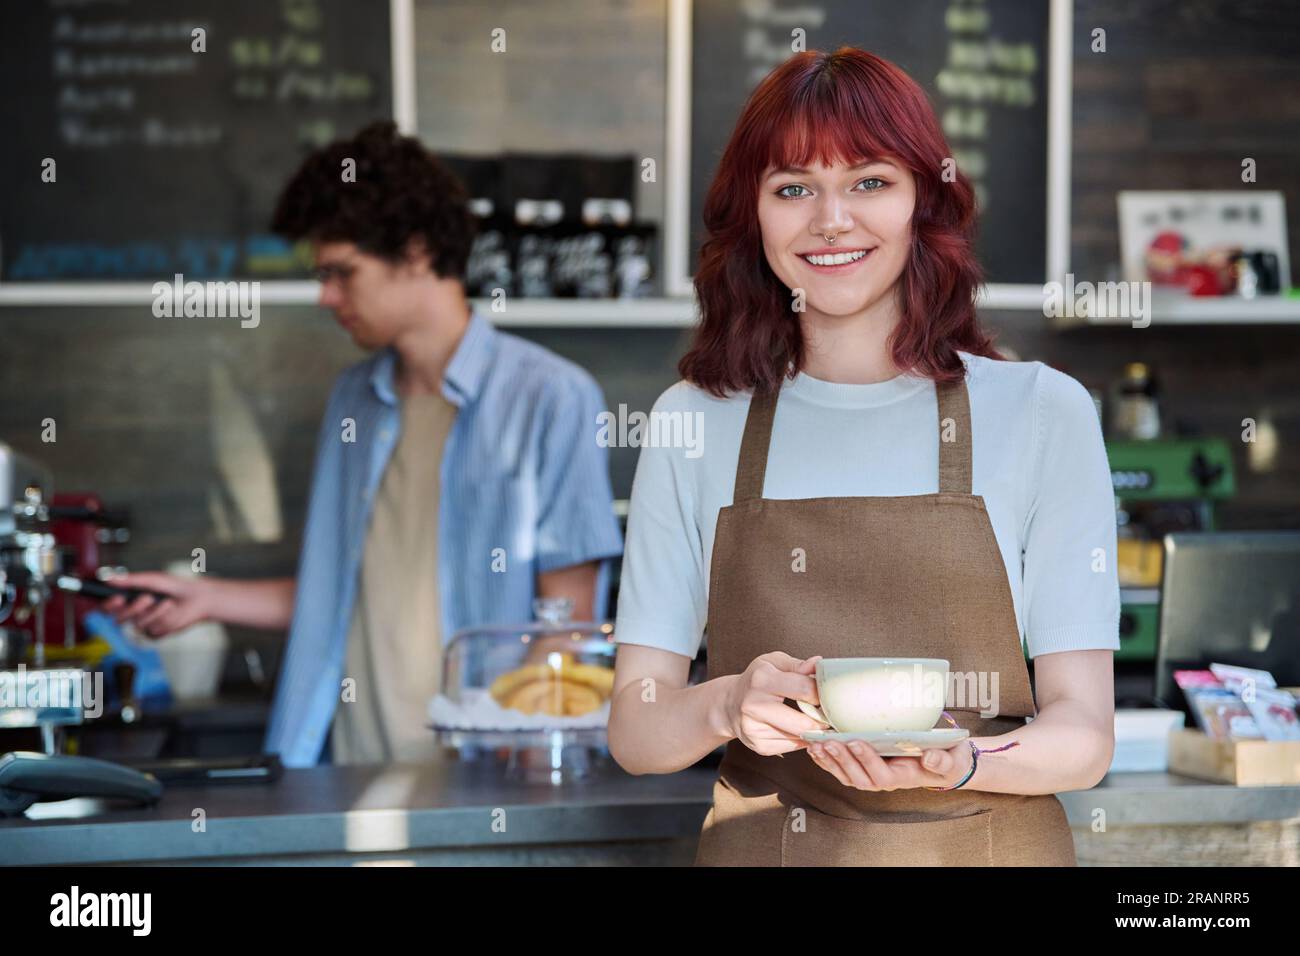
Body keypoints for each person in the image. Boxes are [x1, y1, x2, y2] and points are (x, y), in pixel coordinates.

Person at [606, 48, 1118, 866]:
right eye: (793, 188)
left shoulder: (1042, 412)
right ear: (755, 213)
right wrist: (727, 705)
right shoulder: (692, 422)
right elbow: (636, 730)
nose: (832, 220)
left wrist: (968, 761)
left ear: (925, 200)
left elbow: (1084, 736)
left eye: (870, 181)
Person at [105, 122, 623, 768]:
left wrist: (519, 771)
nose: (325, 297)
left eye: (341, 273)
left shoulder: (550, 396)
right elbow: (340, 589)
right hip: (347, 778)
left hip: (483, 784)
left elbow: (565, 627)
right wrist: (206, 599)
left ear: (414, 251)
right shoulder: (354, 401)